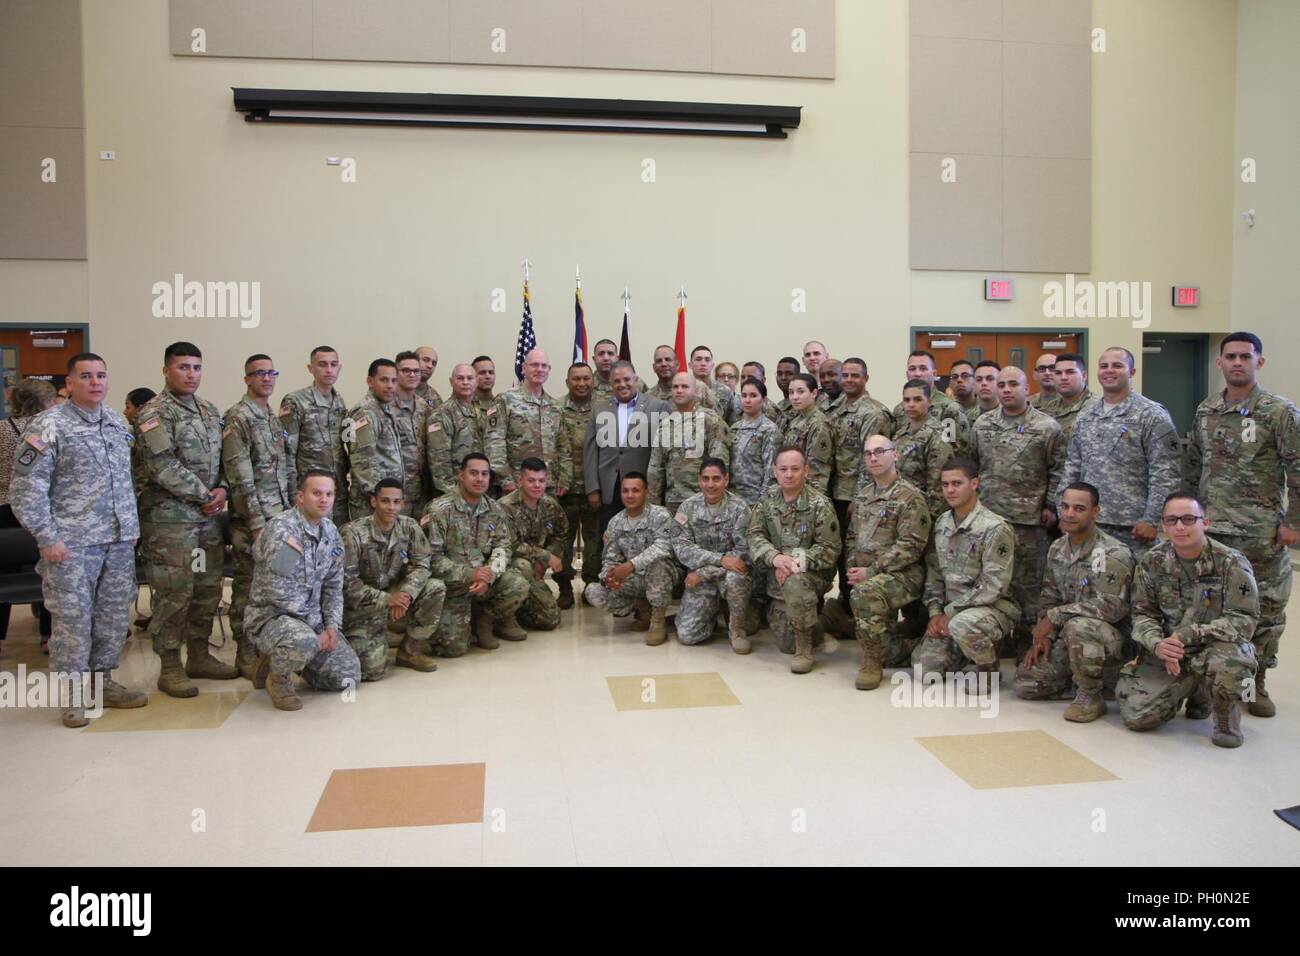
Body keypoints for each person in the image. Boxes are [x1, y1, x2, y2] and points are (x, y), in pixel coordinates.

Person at [10, 354, 146, 726]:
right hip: (71, 545)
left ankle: (103, 683)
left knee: (113, 618)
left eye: (102, 375)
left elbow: (125, 480)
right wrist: (47, 537)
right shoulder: (48, 425)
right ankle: (74, 696)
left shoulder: (117, 422)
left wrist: (129, 530)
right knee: (72, 622)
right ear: (69, 384)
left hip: (117, 542)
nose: (96, 382)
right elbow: (25, 488)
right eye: (86, 376)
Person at [1185, 331, 1300, 717]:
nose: (1237, 362)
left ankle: (1256, 683)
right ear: (1219, 363)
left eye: (1245, 356)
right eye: (1230, 356)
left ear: (1259, 362)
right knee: (1210, 606)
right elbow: (1194, 465)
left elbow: (1298, 470)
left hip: (1261, 531)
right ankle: (1208, 686)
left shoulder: (1279, 411)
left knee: (1265, 610)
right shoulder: (1206, 409)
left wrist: (1293, 523)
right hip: (1212, 530)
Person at [1116, 492, 1259, 748]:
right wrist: (1158, 644)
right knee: (1137, 717)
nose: (1179, 527)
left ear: (1205, 522)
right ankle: (1193, 686)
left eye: (1188, 519)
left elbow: (1244, 620)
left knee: (1231, 662)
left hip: (1215, 647)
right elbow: (1143, 613)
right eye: (1171, 520)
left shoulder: (1231, 563)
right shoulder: (1153, 561)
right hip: (1171, 652)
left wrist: (1189, 635)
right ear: (1163, 525)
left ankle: (1225, 713)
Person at [134, 342, 231, 698]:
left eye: (196, 367)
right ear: (166, 370)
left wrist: (222, 489)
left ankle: (200, 655)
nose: (191, 374)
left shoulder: (208, 410)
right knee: (174, 593)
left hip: (207, 521)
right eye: (183, 367)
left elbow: (221, 460)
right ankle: (170, 664)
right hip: (170, 524)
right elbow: (161, 465)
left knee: (207, 589)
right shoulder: (153, 414)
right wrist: (205, 495)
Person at [1014, 482, 1135, 721]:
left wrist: (1054, 617)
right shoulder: (1057, 547)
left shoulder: (1113, 553)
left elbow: (1112, 608)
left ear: (1095, 512)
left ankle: (1090, 696)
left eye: (1079, 508)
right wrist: (1044, 637)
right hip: (1071, 639)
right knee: (1026, 683)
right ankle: (1098, 684)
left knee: (1078, 625)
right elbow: (1050, 596)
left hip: (1112, 641)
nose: (1069, 514)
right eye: (1065, 506)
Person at [245, 471, 361, 711]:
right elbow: (277, 592)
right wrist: (313, 629)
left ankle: (282, 660)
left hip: (311, 621)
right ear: (300, 497)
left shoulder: (330, 532)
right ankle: (278, 679)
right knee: (303, 641)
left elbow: (333, 586)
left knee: (347, 674)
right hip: (271, 618)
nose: (324, 499)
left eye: (329, 494)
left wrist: (331, 627)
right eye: (316, 493)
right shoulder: (283, 531)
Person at [968, 365, 1065, 650]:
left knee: (1028, 586)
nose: (1007, 389)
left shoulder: (1047, 427)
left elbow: (1059, 470)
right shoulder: (982, 424)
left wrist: (1051, 505)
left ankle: (1027, 643)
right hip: (989, 519)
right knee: (991, 581)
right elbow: (974, 466)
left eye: (1014, 384)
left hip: (1029, 521)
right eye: (1002, 384)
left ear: (1026, 389)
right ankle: (993, 642)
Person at [1054, 346, 1181, 554]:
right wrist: (1063, 511)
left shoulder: (1151, 415)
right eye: (1104, 366)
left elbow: (1165, 473)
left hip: (1133, 527)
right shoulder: (1086, 416)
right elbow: (1072, 467)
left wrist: (1152, 519)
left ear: (1132, 372)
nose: (1109, 370)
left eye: (1117, 366)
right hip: (1088, 522)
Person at [222, 354, 294, 679]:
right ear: (247, 379)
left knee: (275, 587)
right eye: (259, 373)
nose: (266, 378)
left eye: (271, 373)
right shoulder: (238, 417)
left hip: (279, 519)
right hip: (254, 522)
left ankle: (267, 648)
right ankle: (245, 653)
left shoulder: (272, 417)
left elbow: (284, 469)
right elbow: (240, 475)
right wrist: (254, 523)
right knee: (248, 588)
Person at [914, 459, 1018, 679]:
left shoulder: (995, 528)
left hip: (991, 609)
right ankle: (965, 651)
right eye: (945, 484)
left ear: (974, 484)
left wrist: (950, 613)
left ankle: (988, 670)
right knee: (923, 670)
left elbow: (993, 585)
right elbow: (935, 573)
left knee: (963, 624)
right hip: (952, 612)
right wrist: (935, 613)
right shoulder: (942, 523)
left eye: (957, 483)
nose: (950, 490)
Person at [843, 435, 931, 689]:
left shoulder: (910, 497)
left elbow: (911, 546)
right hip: (871, 574)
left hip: (905, 574)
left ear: (895, 455)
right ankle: (900, 647)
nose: (873, 457)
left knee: (864, 594)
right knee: (875, 618)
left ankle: (872, 662)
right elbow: (852, 536)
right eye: (868, 453)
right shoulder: (863, 495)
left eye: (880, 451)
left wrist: (871, 570)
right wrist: (853, 565)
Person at [420, 453, 529, 655]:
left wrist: (489, 573)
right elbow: (431, 559)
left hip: (485, 582)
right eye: (473, 473)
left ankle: (484, 619)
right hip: (453, 585)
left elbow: (503, 548)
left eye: (484, 474)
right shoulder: (439, 510)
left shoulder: (495, 509)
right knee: (453, 649)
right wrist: (471, 574)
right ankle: (454, 623)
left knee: (518, 583)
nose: (479, 479)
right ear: (461, 475)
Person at [748, 446, 841, 673]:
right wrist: (775, 557)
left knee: (790, 645)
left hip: (807, 575)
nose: (789, 474)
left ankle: (805, 646)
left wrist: (792, 562)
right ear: (775, 471)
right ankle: (771, 609)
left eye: (795, 469)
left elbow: (830, 548)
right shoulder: (768, 499)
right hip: (774, 570)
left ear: (806, 471)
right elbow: (754, 534)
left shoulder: (820, 504)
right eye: (783, 469)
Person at [341, 477, 442, 679]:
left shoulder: (410, 527)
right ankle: (363, 637)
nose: (391, 507)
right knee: (372, 671)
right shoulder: (352, 533)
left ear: (403, 503)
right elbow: (348, 583)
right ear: (374, 502)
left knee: (435, 587)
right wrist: (388, 599)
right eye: (385, 501)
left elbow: (423, 564)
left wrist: (406, 593)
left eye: (397, 502)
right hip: (363, 606)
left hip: (396, 595)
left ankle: (409, 650)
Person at [583, 472, 680, 645]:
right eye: (625, 491)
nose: (629, 495)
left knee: (658, 564)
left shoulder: (661, 515)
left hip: (663, 576)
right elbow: (610, 558)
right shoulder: (615, 522)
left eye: (635, 490)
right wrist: (608, 578)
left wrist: (631, 565)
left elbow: (664, 547)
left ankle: (658, 621)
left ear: (646, 492)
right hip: (634, 580)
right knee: (593, 592)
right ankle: (643, 609)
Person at [669, 458, 753, 652]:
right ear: (699, 480)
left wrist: (705, 571)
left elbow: (743, 552)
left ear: (726, 480)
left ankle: (737, 629)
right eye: (705, 479)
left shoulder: (740, 508)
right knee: (687, 635)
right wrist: (721, 559)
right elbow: (682, 548)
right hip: (701, 581)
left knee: (735, 577)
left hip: (727, 576)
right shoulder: (687, 508)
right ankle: (713, 613)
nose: (710, 484)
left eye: (716, 478)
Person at [828, 357, 894, 604]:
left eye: (855, 375)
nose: (849, 380)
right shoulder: (836, 408)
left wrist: (860, 496)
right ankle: (844, 607)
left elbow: (873, 459)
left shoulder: (874, 413)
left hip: (856, 497)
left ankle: (853, 610)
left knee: (855, 555)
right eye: (845, 375)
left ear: (866, 378)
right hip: (834, 492)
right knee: (837, 553)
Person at [582, 360, 671, 533]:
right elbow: (590, 452)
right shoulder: (599, 410)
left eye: (627, 379)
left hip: (644, 486)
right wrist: (592, 488)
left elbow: (665, 451)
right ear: (610, 384)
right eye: (616, 381)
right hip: (609, 487)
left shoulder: (658, 407)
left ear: (635, 379)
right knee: (609, 539)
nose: (622, 385)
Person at [1, 378, 57, 644]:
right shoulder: (50, 430)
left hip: (3, 510)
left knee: (4, 573)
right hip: (40, 509)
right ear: (47, 401)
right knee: (48, 571)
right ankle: (48, 633)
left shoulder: (1, 430)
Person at [279, 345, 349, 526]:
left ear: (339, 368)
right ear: (311, 368)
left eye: (333, 365)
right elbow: (287, 452)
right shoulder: (296, 402)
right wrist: (294, 492)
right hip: (310, 494)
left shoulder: (339, 403)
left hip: (336, 492)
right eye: (322, 364)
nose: (329, 370)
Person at [499, 458, 569, 631]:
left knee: (550, 619)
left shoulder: (550, 505)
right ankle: (503, 617)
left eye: (542, 481)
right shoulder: (504, 507)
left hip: (534, 567)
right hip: (509, 567)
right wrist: (545, 556)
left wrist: (545, 561)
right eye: (531, 480)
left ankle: (520, 609)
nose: (537, 485)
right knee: (522, 565)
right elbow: (510, 545)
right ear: (520, 481)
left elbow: (561, 533)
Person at [646, 371, 729, 514]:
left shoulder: (711, 420)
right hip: (672, 502)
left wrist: (714, 498)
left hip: (703, 501)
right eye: (675, 387)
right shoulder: (666, 424)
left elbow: (720, 463)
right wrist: (654, 506)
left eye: (685, 386)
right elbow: (656, 469)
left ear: (695, 391)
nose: (679, 390)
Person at [553, 362, 599, 609]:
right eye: (576, 379)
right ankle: (564, 588)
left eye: (586, 378)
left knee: (594, 542)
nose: (581, 383)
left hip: (594, 488)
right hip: (564, 489)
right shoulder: (555, 408)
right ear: (567, 382)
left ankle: (591, 586)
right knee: (563, 541)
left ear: (592, 381)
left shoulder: (604, 408)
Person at [488, 348, 560, 494]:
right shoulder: (505, 400)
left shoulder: (554, 406)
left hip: (548, 485)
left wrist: (563, 480)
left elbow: (563, 445)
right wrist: (505, 479)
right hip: (516, 484)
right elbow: (494, 442)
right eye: (534, 365)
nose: (539, 369)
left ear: (549, 370)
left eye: (544, 366)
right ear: (523, 368)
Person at [875, 380, 951, 518]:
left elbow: (938, 488)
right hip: (898, 509)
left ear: (929, 402)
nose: (911, 404)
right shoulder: (900, 434)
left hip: (922, 512)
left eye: (917, 399)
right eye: (907, 400)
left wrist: (930, 518)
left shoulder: (938, 435)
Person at [344, 359, 405, 520]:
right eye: (384, 380)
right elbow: (363, 462)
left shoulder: (383, 408)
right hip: (371, 504)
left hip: (386, 501)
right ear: (370, 381)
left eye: (394, 381)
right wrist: (382, 498)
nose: (390, 386)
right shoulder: (365, 413)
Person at [427, 362, 488, 499]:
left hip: (480, 487)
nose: (465, 382)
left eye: (470, 378)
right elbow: (439, 461)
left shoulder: (483, 410)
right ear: (451, 381)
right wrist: (453, 494)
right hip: (455, 492)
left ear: (477, 381)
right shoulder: (441, 415)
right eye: (460, 378)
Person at [892, 351, 970, 455]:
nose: (917, 373)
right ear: (907, 374)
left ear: (934, 374)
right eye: (912, 369)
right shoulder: (900, 409)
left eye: (923, 368)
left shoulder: (949, 408)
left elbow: (958, 451)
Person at [393, 350, 434, 515]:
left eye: (416, 371)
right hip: (395, 491)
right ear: (396, 373)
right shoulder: (385, 407)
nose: (412, 375)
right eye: (406, 371)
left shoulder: (424, 407)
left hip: (421, 491)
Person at [729, 377, 780, 504]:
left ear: (763, 400)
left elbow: (771, 471)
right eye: (744, 395)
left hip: (756, 499)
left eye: (753, 396)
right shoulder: (734, 428)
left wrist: (763, 502)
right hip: (732, 498)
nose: (747, 400)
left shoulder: (769, 429)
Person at [781, 373, 833, 495]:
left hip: (809, 493)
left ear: (814, 393)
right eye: (791, 392)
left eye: (800, 392)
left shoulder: (819, 424)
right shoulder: (795, 419)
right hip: (792, 486)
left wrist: (811, 499)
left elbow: (817, 470)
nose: (794, 397)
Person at [1045, 352, 1094, 443]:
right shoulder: (1050, 407)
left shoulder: (1097, 408)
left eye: (1070, 372)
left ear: (1084, 376)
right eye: (1058, 373)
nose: (1063, 377)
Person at [689, 345, 740, 424]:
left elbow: (732, 424)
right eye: (698, 359)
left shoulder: (725, 391)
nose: (703, 363)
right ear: (690, 365)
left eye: (707, 360)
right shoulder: (682, 390)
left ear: (712, 365)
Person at [774, 356, 801, 425]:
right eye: (779, 374)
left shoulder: (801, 405)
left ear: (798, 376)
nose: (783, 378)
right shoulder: (779, 406)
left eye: (789, 374)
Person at [415, 346, 443, 411]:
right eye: (425, 360)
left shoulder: (436, 398)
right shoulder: (396, 391)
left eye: (434, 363)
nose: (430, 366)